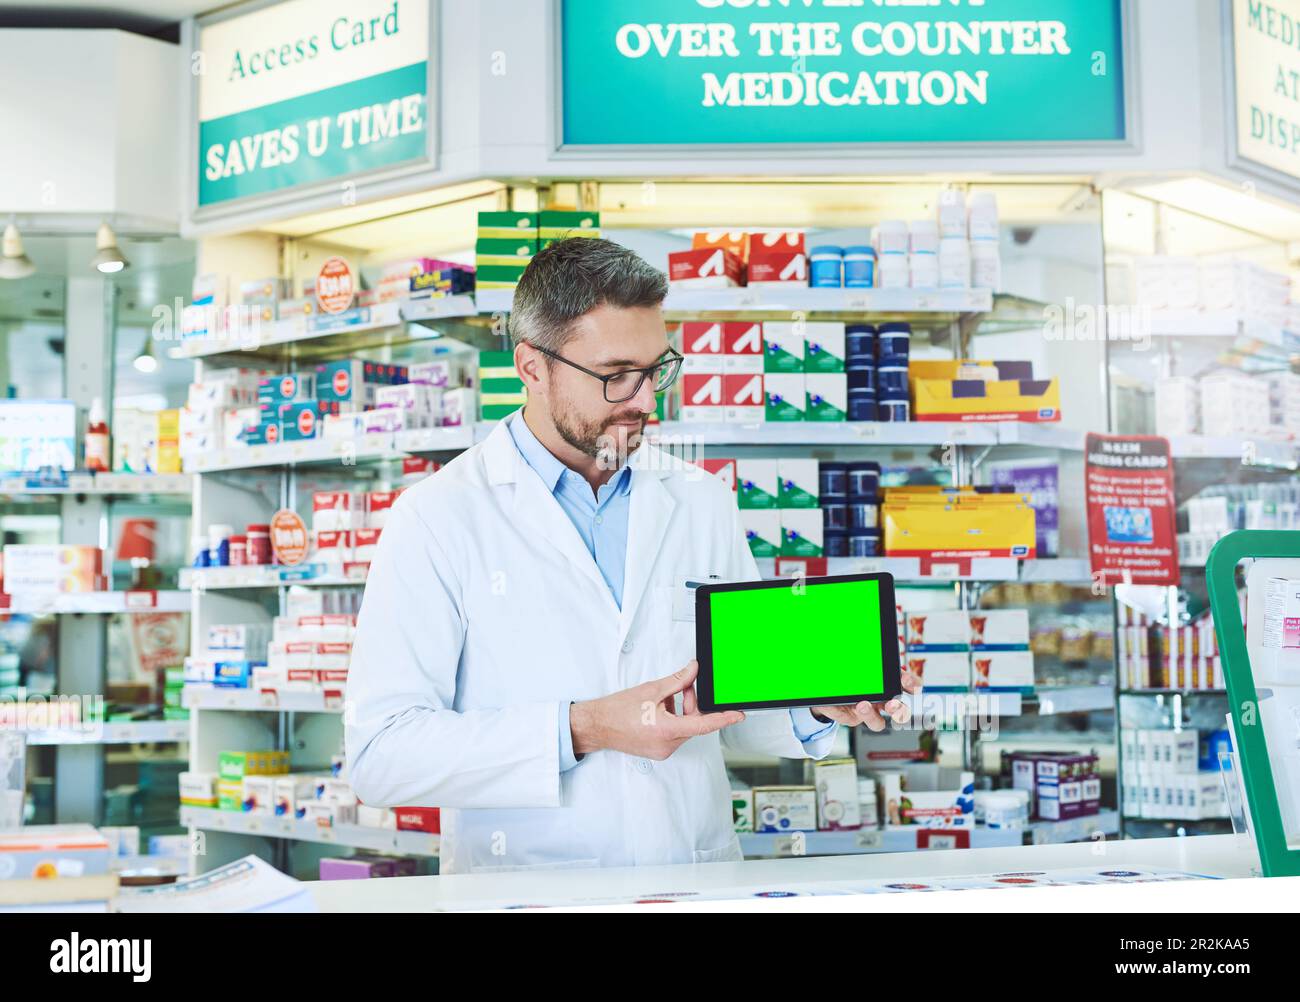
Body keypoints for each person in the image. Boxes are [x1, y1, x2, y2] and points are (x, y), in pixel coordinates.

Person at [346, 237, 915, 873]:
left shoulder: (701, 500)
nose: (647, 400)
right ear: (531, 367)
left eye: (657, 370)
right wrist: (584, 727)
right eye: (617, 376)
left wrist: (815, 700)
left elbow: (735, 709)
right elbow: (381, 755)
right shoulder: (436, 518)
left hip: (692, 878)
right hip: (528, 888)